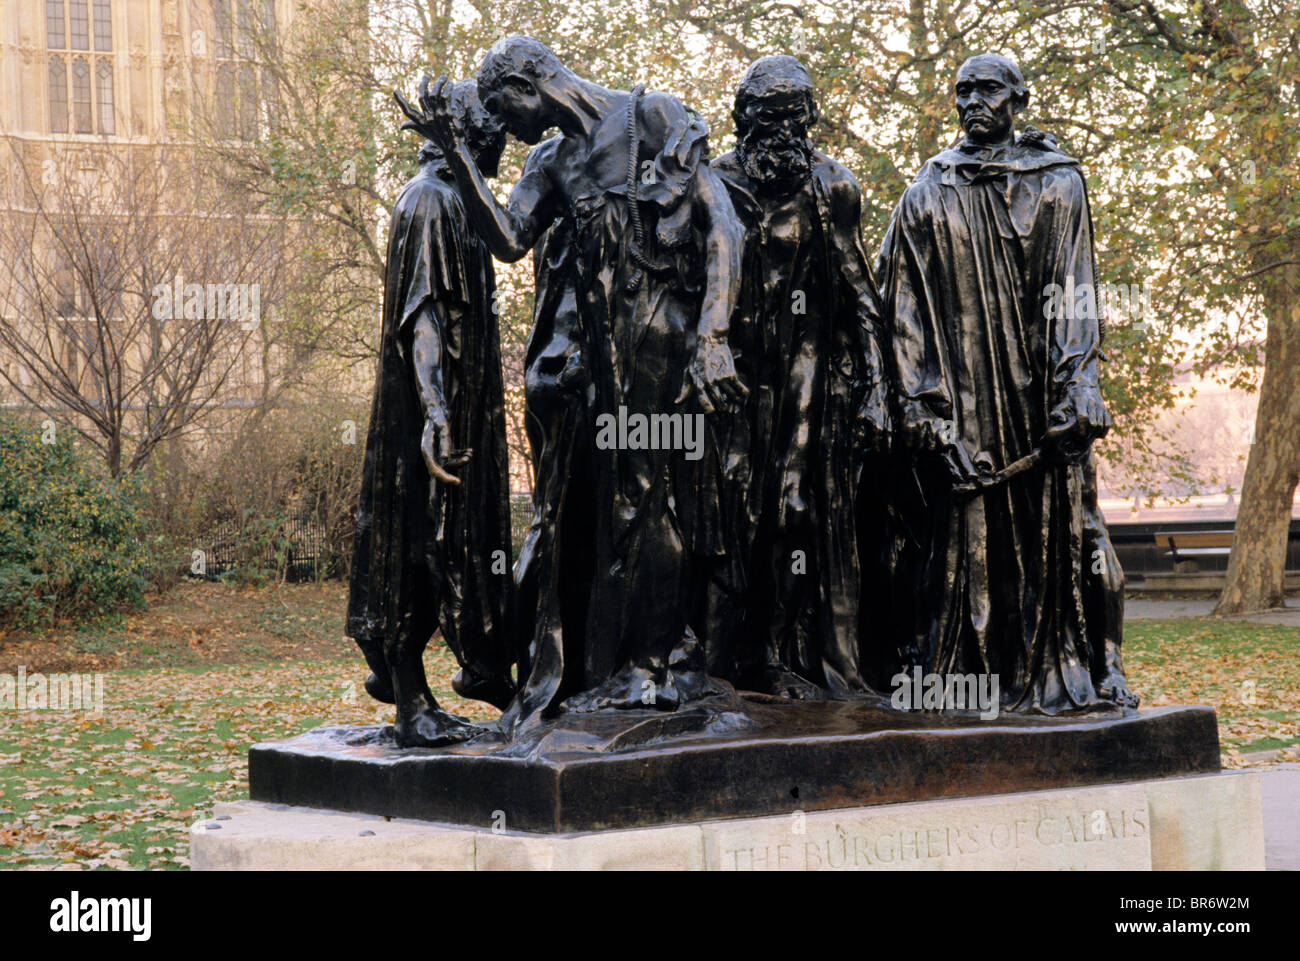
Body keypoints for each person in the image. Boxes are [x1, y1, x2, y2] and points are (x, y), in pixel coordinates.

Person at [401, 37, 747, 733]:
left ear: (530, 85)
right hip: (602, 368)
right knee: (606, 509)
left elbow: (723, 227)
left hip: (666, 349)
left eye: (505, 111)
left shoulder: (652, 118)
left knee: (657, 505)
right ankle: (609, 667)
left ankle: (653, 668)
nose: (510, 129)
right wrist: (457, 152)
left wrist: (713, 335)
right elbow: (506, 236)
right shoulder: (550, 160)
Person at [877, 53, 1135, 713]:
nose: (971, 101)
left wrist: (1079, 386)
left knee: (1074, 533)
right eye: (962, 91)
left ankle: (1091, 666)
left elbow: (1076, 293)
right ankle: (968, 681)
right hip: (963, 407)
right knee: (962, 551)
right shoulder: (928, 190)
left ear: (1017, 98)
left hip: (1041, 404)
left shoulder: (1058, 183)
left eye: (986, 89)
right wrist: (922, 413)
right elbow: (899, 310)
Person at [709, 56, 891, 697]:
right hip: (727, 380)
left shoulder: (831, 187)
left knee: (789, 509)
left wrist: (875, 389)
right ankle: (713, 660)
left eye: (794, 114)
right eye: (767, 115)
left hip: (803, 378)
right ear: (741, 116)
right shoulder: (711, 183)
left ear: (810, 116)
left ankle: (773, 654)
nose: (782, 129)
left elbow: (859, 291)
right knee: (724, 511)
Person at [348, 81, 516, 747]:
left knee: (453, 538)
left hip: (458, 404)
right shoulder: (429, 200)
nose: (505, 138)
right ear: (472, 131)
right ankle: (413, 699)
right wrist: (436, 411)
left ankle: (467, 676)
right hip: (432, 411)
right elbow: (421, 314)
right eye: (495, 125)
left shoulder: (458, 202)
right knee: (417, 538)